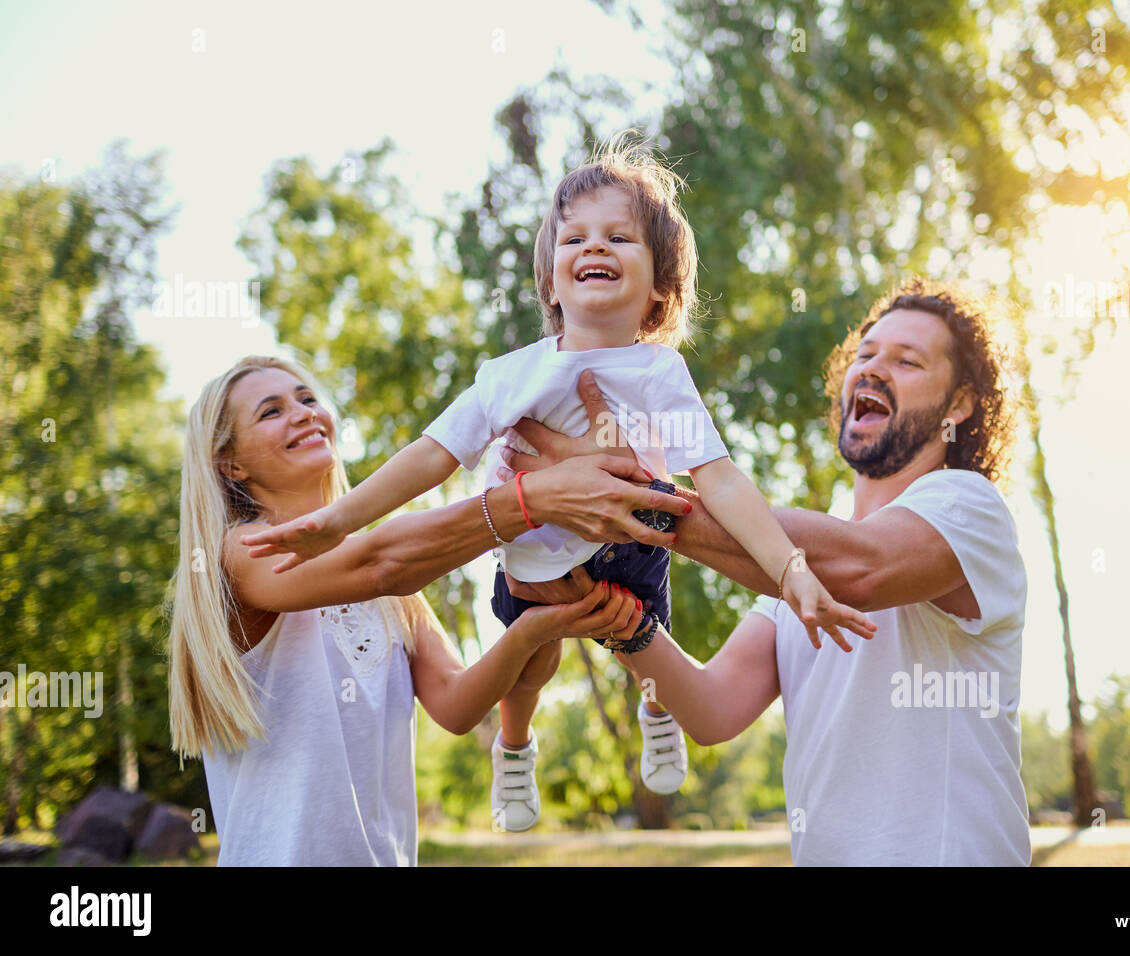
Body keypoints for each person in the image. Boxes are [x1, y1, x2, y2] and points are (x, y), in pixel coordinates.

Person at [240, 135, 875, 832]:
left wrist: (788, 568)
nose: (594, 247)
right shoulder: (509, 375)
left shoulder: (661, 374)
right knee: (531, 664)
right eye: (574, 237)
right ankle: (515, 745)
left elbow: (719, 481)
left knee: (647, 630)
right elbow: (431, 455)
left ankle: (655, 712)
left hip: (633, 542)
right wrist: (341, 521)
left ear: (660, 288)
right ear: (550, 281)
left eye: (619, 237)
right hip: (531, 556)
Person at [501, 278, 1033, 866]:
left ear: (959, 405)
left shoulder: (967, 506)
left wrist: (630, 493)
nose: (873, 369)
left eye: (907, 360)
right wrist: (614, 616)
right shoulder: (792, 559)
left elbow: (862, 567)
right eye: (865, 354)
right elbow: (712, 708)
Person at [166, 354, 676, 865]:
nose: (303, 413)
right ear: (230, 462)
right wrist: (533, 500)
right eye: (270, 411)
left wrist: (533, 631)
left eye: (305, 398)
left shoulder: (394, 587)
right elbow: (381, 562)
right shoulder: (241, 553)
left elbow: (457, 705)